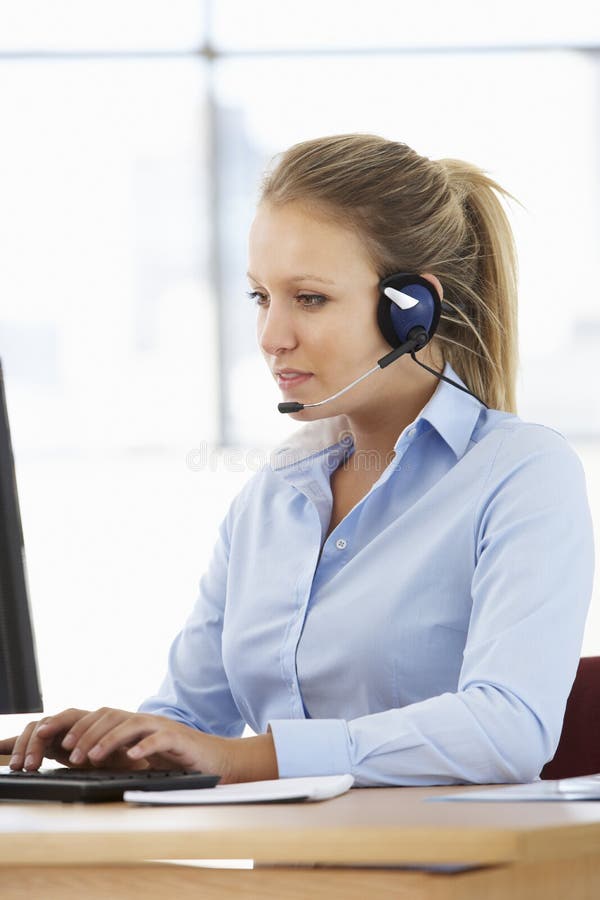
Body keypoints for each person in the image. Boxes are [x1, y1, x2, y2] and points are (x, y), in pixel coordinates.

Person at [1, 134, 594, 786]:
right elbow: (191, 716)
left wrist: (251, 759)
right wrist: (120, 744)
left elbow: (506, 730)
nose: (271, 337)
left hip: (444, 880)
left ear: (411, 311)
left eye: (309, 298)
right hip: (277, 877)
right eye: (261, 297)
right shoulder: (272, 497)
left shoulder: (520, 473)